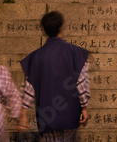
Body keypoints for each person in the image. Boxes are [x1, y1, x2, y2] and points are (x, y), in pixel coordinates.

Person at [18, 11, 90, 140]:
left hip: (47, 118)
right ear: (61, 28)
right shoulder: (75, 53)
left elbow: (29, 87)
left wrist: (24, 112)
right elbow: (80, 82)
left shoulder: (36, 57)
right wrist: (84, 107)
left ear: (44, 31)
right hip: (70, 115)